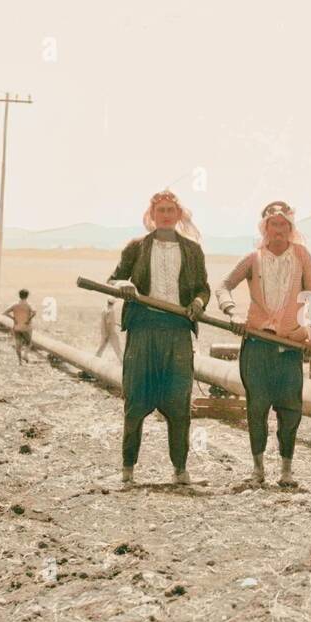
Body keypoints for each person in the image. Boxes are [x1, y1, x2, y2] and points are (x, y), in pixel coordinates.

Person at [215, 200, 311, 489]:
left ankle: (286, 471)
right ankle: (258, 470)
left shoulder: (301, 256)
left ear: (291, 228)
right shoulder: (253, 258)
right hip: (258, 346)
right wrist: (232, 311)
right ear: (265, 228)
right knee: (257, 408)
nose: (278, 230)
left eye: (284, 225)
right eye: (273, 225)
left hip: (289, 346)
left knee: (290, 410)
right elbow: (223, 286)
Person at [108, 190, 210, 486]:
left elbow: (203, 288)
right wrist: (125, 283)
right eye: (160, 210)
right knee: (136, 401)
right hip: (143, 331)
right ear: (152, 215)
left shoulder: (192, 250)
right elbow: (112, 279)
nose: (165, 215)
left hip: (177, 331)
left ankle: (180, 469)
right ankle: (128, 470)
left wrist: (200, 303)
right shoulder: (136, 248)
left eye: (170, 210)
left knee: (179, 403)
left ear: (179, 215)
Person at [4, 289, 35, 365]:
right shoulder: (28, 305)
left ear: (19, 295)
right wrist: (29, 319)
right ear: (27, 296)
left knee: (18, 345)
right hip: (26, 327)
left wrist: (13, 318)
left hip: (17, 326)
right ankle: (25, 355)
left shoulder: (15, 305)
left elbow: (5, 312)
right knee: (28, 342)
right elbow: (34, 312)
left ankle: (20, 362)